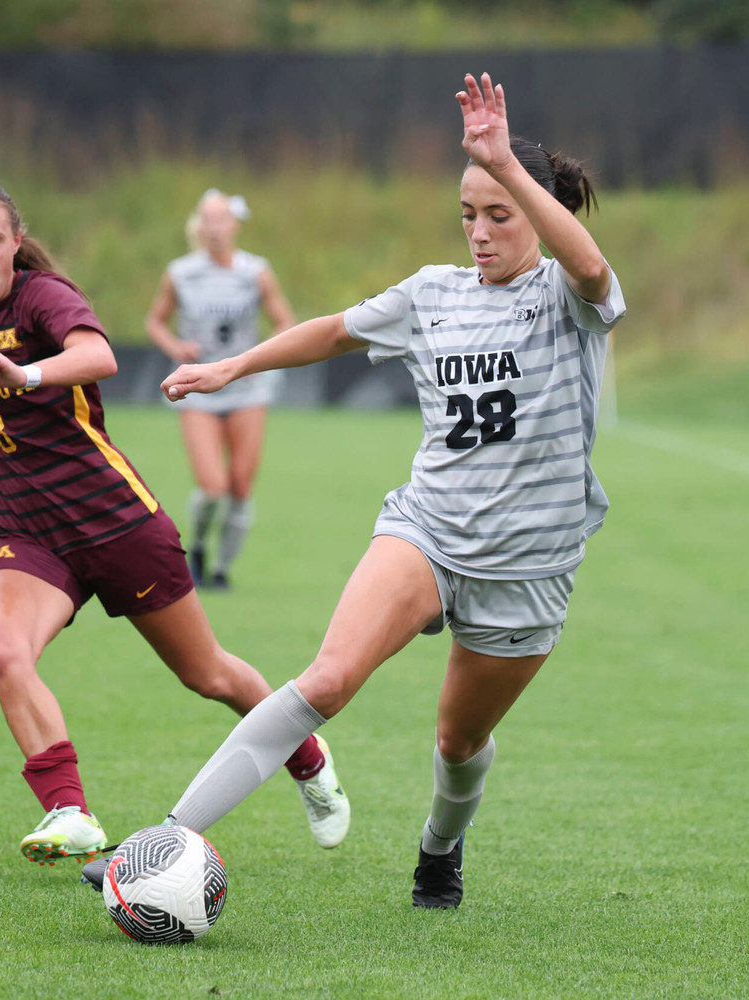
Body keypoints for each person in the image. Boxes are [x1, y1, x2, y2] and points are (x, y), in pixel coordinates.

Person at [86, 72, 626, 909]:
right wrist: (236, 363)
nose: (479, 234)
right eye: (467, 215)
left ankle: (439, 848)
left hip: (528, 565)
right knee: (329, 680)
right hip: (428, 529)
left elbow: (588, 263)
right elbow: (334, 329)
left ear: (533, 207)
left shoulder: (566, 297)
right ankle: (160, 840)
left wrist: (506, 165)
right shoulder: (433, 294)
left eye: (499, 215)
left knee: (459, 740)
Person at [0, 179, 349, 866]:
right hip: (27, 531)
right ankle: (69, 809)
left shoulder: (44, 297)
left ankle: (309, 760)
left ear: (16, 242)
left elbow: (99, 356)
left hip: (116, 520)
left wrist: (21, 374)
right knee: (3, 652)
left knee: (210, 676)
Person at [145, 190, 296, 589]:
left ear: (234, 225)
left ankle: (222, 570)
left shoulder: (255, 271)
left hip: (246, 388)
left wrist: (253, 359)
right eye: (207, 220)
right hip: (196, 389)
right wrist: (177, 347)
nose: (214, 227)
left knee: (241, 487)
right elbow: (155, 322)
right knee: (213, 487)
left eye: (221, 219)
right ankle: (196, 549)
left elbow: (286, 323)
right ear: (199, 225)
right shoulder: (180, 273)